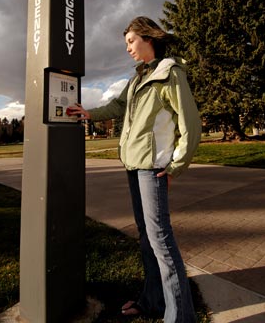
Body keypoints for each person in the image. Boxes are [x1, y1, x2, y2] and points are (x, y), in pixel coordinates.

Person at [69, 16, 201, 322]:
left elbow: (190, 124)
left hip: (152, 169)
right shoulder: (139, 78)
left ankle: (180, 317)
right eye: (126, 43)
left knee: (161, 241)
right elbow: (117, 106)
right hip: (134, 167)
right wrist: (88, 112)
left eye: (131, 41)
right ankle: (153, 302)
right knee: (147, 239)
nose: (128, 48)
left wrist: (174, 166)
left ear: (148, 37)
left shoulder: (170, 73)